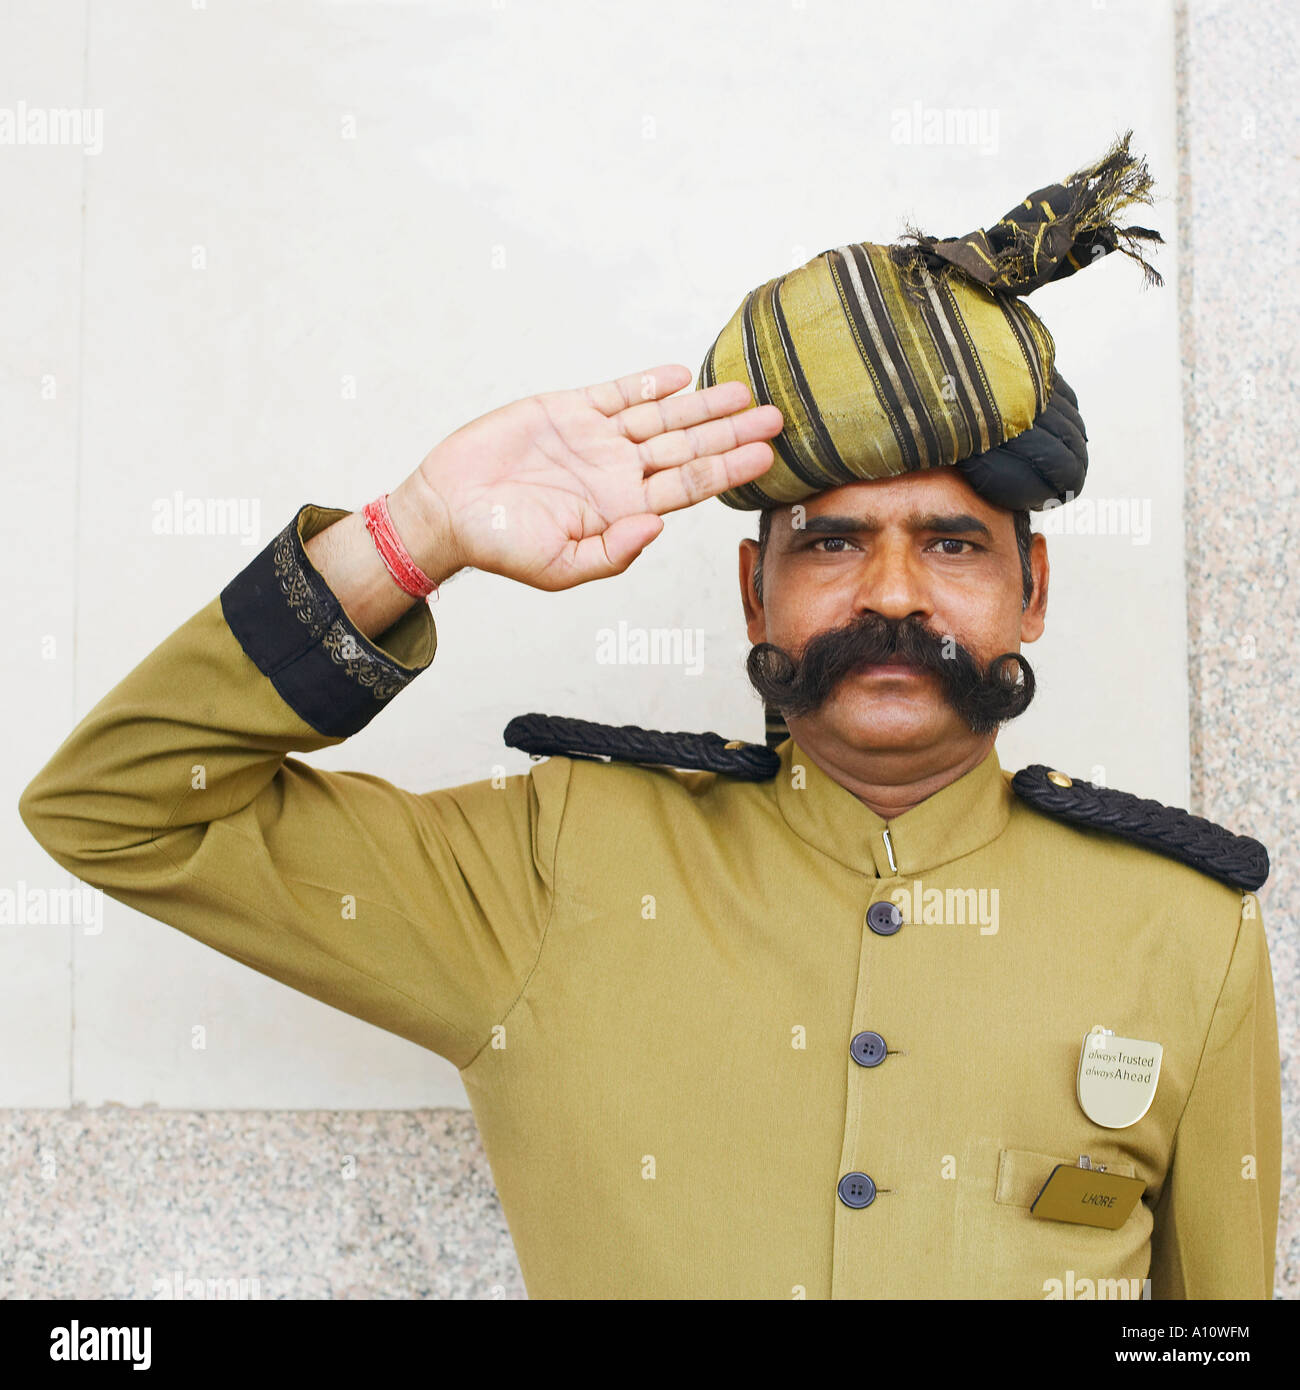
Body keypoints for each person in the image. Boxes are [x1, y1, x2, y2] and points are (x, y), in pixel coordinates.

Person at [18, 133, 1279, 1300]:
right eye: (830, 542)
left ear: (1031, 590)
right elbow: (118, 809)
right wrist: (413, 535)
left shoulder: (1185, 934)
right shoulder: (551, 867)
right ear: (753, 593)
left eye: (951, 542)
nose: (892, 591)